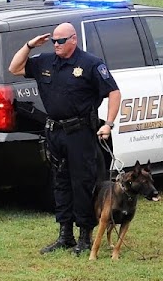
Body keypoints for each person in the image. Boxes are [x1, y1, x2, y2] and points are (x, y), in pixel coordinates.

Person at [8, 22, 121, 255]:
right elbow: (14, 68)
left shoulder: (90, 64)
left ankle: (85, 237)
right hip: (55, 132)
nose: (56, 45)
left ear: (73, 40)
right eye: (53, 41)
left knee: (82, 183)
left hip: (80, 133)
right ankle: (65, 235)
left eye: (61, 41)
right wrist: (29, 45)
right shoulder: (45, 62)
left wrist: (108, 124)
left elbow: (114, 92)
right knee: (60, 182)